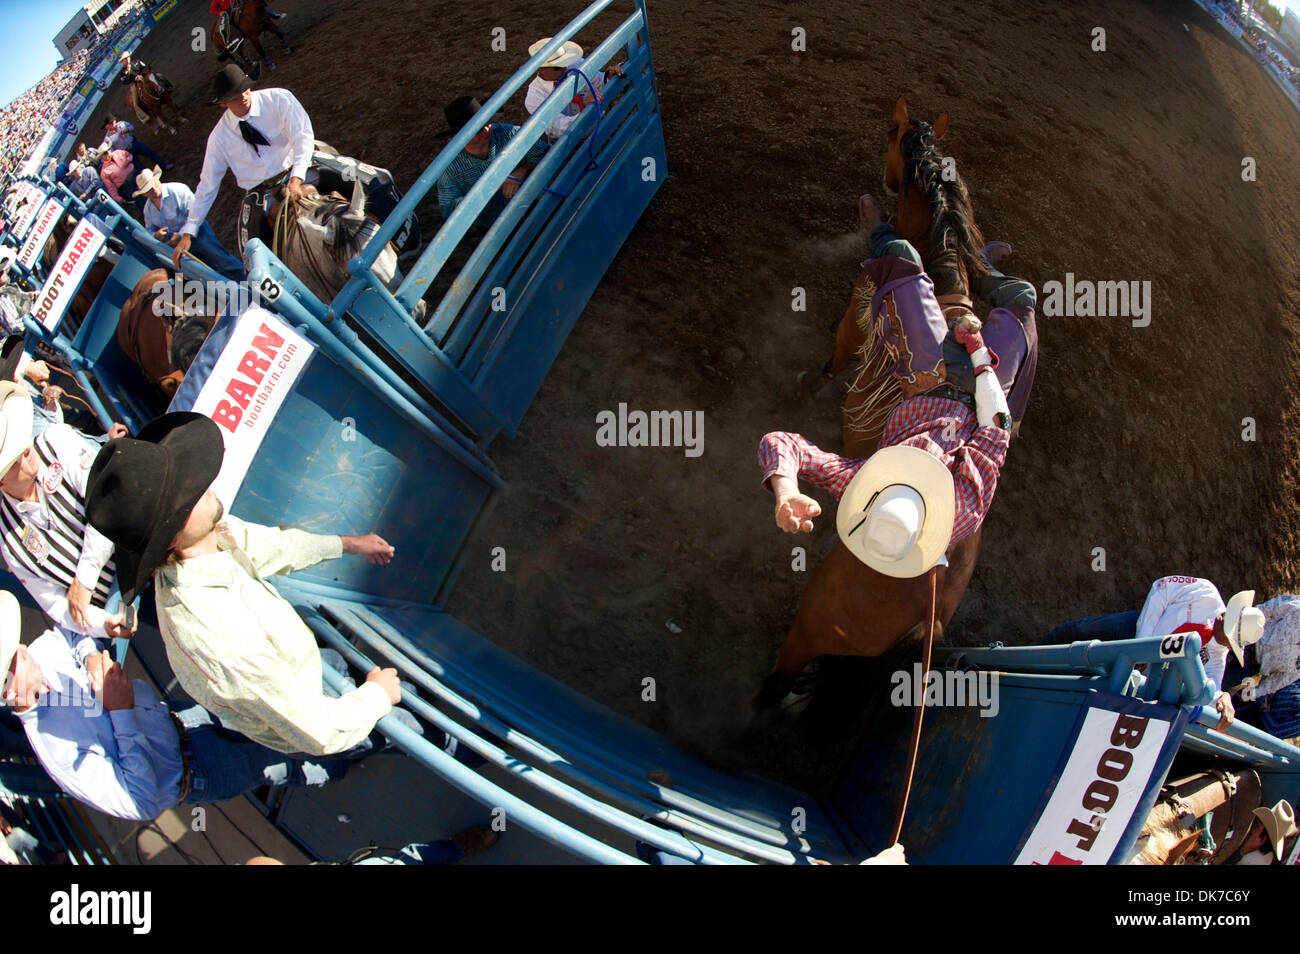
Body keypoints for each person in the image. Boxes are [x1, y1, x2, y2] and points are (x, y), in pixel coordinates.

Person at [84, 412, 409, 758]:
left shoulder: (211, 538)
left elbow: (274, 547)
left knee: (347, 670)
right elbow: (319, 730)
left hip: (304, 666)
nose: (203, 485)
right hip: (321, 717)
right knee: (415, 731)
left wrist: (348, 544)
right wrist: (375, 696)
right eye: (187, 493)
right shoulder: (214, 635)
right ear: (170, 535)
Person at [759, 196, 1032, 579]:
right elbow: (996, 428)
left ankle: (879, 231)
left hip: (926, 378)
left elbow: (781, 443)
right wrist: (978, 356)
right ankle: (982, 268)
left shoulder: (861, 481)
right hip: (981, 393)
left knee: (902, 257)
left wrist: (786, 491)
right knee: (1023, 300)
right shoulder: (964, 508)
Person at [0, 590, 347, 821]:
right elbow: (140, 801)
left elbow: (72, 632)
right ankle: (371, 733)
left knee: (275, 712)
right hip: (201, 770)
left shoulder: (40, 654)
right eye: (13, 661)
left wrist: (90, 656)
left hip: (181, 717)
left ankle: (346, 718)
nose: (23, 650)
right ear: (7, 693)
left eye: (15, 643)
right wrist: (120, 711)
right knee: (280, 761)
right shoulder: (57, 753)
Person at [0, 382, 132, 642]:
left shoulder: (56, 440)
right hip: (118, 603)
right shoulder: (9, 545)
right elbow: (57, 606)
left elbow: (105, 498)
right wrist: (104, 623)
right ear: (2, 482)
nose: (26, 448)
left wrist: (83, 581)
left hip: (147, 545)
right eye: (15, 456)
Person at [1042, 578, 1264, 730]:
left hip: (1144, 666)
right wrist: (1142, 641)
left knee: (1096, 672)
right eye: (1230, 617)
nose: (1223, 621)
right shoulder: (1205, 592)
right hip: (1139, 629)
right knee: (1085, 630)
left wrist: (1222, 697)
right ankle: (1042, 648)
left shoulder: (1218, 654)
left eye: (1229, 630)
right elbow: (1162, 588)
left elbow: (1209, 687)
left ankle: (1045, 672)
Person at [174, 65, 315, 267]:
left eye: (244, 88)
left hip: (301, 169)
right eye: (234, 94)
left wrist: (296, 178)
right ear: (223, 104)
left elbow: (303, 136)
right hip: (261, 194)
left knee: (358, 177)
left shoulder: (279, 98)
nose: (242, 95)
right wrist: (189, 231)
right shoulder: (218, 138)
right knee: (254, 262)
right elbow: (207, 185)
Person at [434, 95, 549, 221]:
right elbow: (448, 208)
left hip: (535, 205)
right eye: (477, 130)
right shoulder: (449, 169)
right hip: (495, 225)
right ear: (458, 136)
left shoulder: (508, 133)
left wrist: (523, 170)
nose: (487, 129)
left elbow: (544, 151)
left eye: (487, 123)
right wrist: (486, 191)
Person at [132, 166, 244, 280]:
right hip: (179, 245)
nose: (154, 189)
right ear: (144, 194)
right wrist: (155, 235)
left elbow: (195, 213)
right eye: (149, 189)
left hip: (198, 233)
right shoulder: (148, 209)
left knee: (223, 260)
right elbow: (149, 229)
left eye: (154, 184)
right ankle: (235, 287)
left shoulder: (177, 190)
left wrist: (180, 236)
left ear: (158, 180)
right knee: (207, 268)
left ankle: (247, 281)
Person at [524, 38, 623, 143]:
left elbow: (598, 82)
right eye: (557, 67)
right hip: (570, 144)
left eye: (565, 62)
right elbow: (556, 128)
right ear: (540, 68)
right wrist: (585, 108)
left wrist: (608, 77)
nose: (565, 69)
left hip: (599, 127)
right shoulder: (534, 97)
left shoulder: (575, 65)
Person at [98, 114, 169, 173]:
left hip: (134, 143)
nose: (113, 123)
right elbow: (112, 151)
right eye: (111, 123)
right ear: (106, 126)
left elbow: (132, 127)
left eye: (113, 121)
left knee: (150, 152)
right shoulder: (107, 139)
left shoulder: (122, 123)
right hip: (126, 152)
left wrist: (128, 129)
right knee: (139, 167)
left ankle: (164, 166)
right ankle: (148, 178)